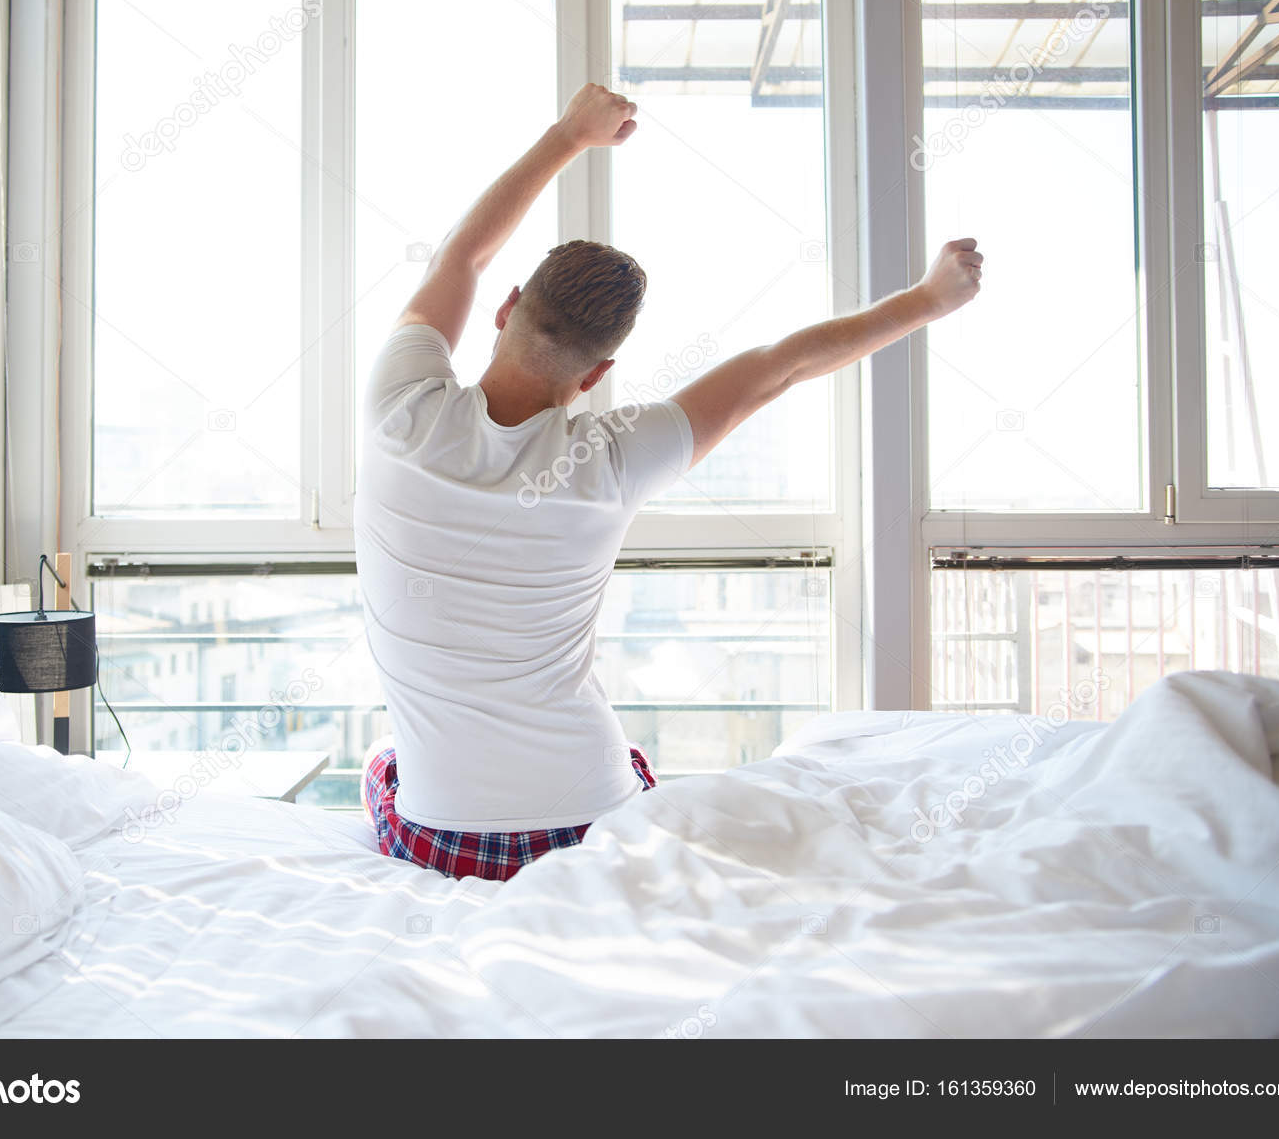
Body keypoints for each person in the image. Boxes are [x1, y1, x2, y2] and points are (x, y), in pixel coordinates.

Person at [356, 84, 982, 880]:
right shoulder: (614, 459)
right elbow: (776, 369)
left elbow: (463, 256)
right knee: (629, 757)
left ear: (509, 306)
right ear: (602, 370)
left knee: (385, 757)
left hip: (446, 837)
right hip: (594, 824)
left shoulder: (398, 406)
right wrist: (927, 299)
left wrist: (569, 136)